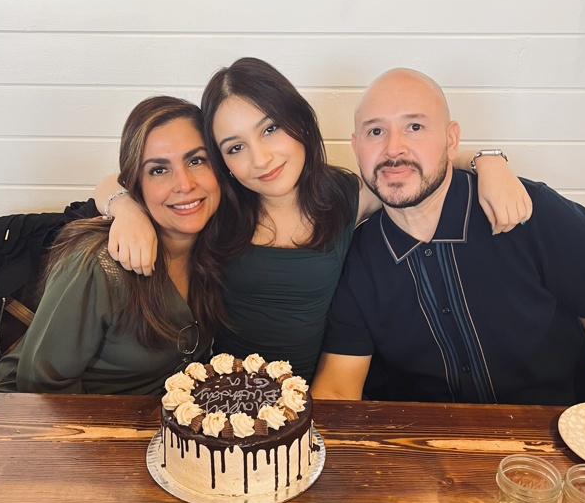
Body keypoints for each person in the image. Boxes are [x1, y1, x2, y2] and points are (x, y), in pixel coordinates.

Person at [95, 59, 531, 382]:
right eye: (234, 147)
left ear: (299, 122)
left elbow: (411, 162)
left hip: (314, 397)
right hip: (221, 395)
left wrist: (488, 160)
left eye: (269, 130)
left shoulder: (345, 196)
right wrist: (124, 205)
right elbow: (109, 188)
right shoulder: (216, 209)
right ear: (222, 161)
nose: (260, 159)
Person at [311, 69, 585, 405]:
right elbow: (338, 388)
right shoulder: (359, 258)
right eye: (376, 131)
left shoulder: (534, 211)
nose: (393, 149)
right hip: (430, 447)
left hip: (556, 434)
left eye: (415, 126)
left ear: (451, 140)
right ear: (357, 148)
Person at [0, 96, 227, 395]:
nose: (185, 183)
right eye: (158, 170)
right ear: (136, 184)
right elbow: (42, 387)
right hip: (55, 423)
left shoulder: (220, 244)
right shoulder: (97, 263)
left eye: (196, 160)